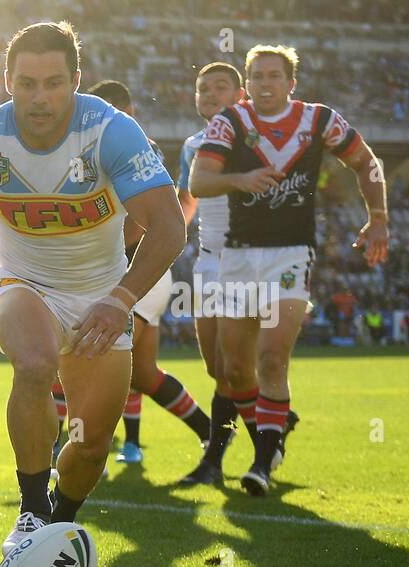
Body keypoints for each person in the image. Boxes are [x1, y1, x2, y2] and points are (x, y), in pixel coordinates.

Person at [0, 21, 185, 555]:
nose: (39, 98)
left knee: (90, 447)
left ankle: (56, 529)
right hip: (20, 281)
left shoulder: (110, 131)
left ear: (76, 81)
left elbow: (170, 226)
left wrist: (120, 300)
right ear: (7, 80)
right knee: (37, 363)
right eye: (26, 84)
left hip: (102, 298)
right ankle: (30, 510)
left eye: (53, 83)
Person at [188, 44, 387, 495]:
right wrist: (239, 180)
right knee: (233, 372)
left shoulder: (319, 120)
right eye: (257, 76)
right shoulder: (231, 122)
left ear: (290, 82)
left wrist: (379, 217)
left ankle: (261, 463)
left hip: (290, 254)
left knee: (272, 359)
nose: (264, 83)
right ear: (249, 83)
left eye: (273, 76)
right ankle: (273, 433)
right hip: (236, 259)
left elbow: (365, 162)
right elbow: (200, 181)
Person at [87, 80, 211, 466]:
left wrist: (110, 252)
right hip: (145, 272)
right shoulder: (103, 146)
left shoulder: (133, 147)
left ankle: (83, 448)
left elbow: (147, 219)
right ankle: (211, 433)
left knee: (97, 359)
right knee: (141, 372)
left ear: (126, 111)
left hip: (137, 272)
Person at [177, 62, 263, 485]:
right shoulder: (193, 144)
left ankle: (216, 461)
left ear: (240, 93)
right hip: (207, 260)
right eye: (202, 88)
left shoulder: (256, 136)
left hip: (245, 260)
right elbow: (186, 206)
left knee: (232, 368)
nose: (209, 94)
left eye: (219, 87)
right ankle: (274, 421)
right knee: (217, 368)